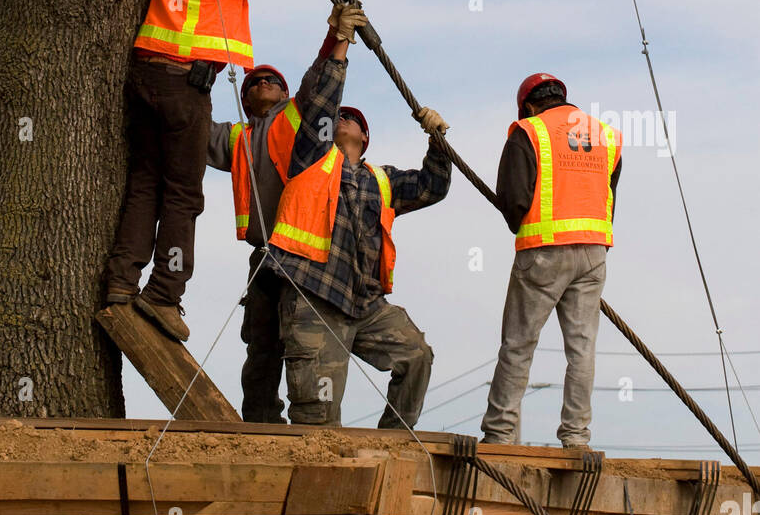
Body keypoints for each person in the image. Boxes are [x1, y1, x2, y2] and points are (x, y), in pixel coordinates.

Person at [103, 0, 305, 342]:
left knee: (146, 183)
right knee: (183, 196)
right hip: (184, 85)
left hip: (146, 74)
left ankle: (120, 281)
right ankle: (164, 294)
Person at [264, 33, 451, 428]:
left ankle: (393, 442)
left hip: (365, 305)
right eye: (340, 116)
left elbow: (432, 187)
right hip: (315, 295)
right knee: (318, 418)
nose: (344, 118)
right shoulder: (312, 156)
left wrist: (438, 142)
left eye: (355, 119)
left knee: (416, 355)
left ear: (366, 139)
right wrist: (341, 49)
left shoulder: (383, 181)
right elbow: (320, 107)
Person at [207, 3, 368, 422]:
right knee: (261, 346)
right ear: (244, 99)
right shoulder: (237, 137)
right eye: (254, 81)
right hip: (265, 257)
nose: (262, 82)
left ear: (283, 93)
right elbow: (191, 129)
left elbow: (318, 86)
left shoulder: (297, 116)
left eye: (271, 80)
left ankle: (311, 427)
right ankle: (261, 423)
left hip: (300, 257)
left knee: (303, 343)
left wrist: (336, 38)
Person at [481, 73, 623, 450]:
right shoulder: (607, 136)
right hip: (593, 253)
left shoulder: (528, 131)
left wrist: (522, 226)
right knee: (582, 348)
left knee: (518, 344)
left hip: (543, 253)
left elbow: (513, 198)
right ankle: (576, 436)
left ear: (529, 105)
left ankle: (500, 434)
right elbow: (608, 196)